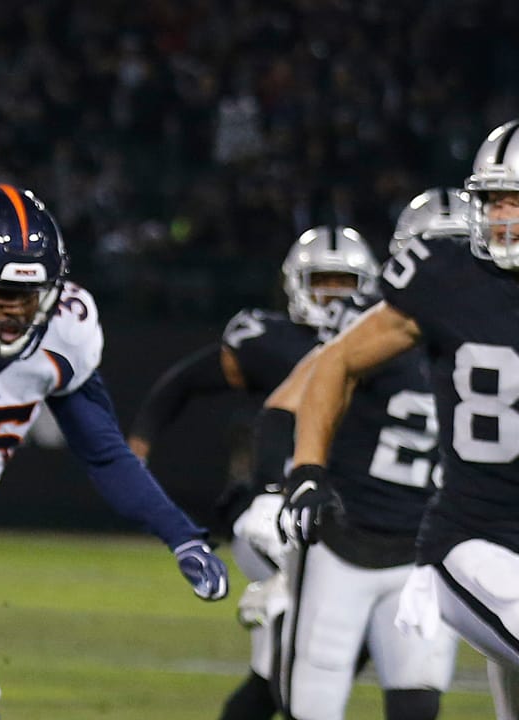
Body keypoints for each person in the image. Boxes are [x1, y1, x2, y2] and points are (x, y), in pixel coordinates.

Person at [0, 183, 228, 719]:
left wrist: (182, 536)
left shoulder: (63, 336)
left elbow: (105, 453)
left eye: (27, 295)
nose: (13, 313)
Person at [283, 119, 519, 719]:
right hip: (475, 539)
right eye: (495, 201)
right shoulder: (448, 276)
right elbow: (335, 362)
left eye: (518, 203)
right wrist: (307, 468)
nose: (502, 219)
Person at [128, 225, 379, 720]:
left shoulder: (389, 344)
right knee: (307, 666)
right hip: (278, 512)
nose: (331, 296)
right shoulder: (269, 339)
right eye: (321, 281)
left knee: (276, 684)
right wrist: (137, 446)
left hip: (353, 513)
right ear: (295, 283)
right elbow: (183, 383)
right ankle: (279, 594)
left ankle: (281, 613)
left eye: (343, 283)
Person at [246, 189, 470, 720]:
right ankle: (284, 606)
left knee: (417, 705)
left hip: (429, 553)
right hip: (345, 541)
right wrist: (281, 485)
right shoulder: (370, 322)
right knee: (310, 709)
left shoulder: (496, 325)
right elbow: (284, 408)